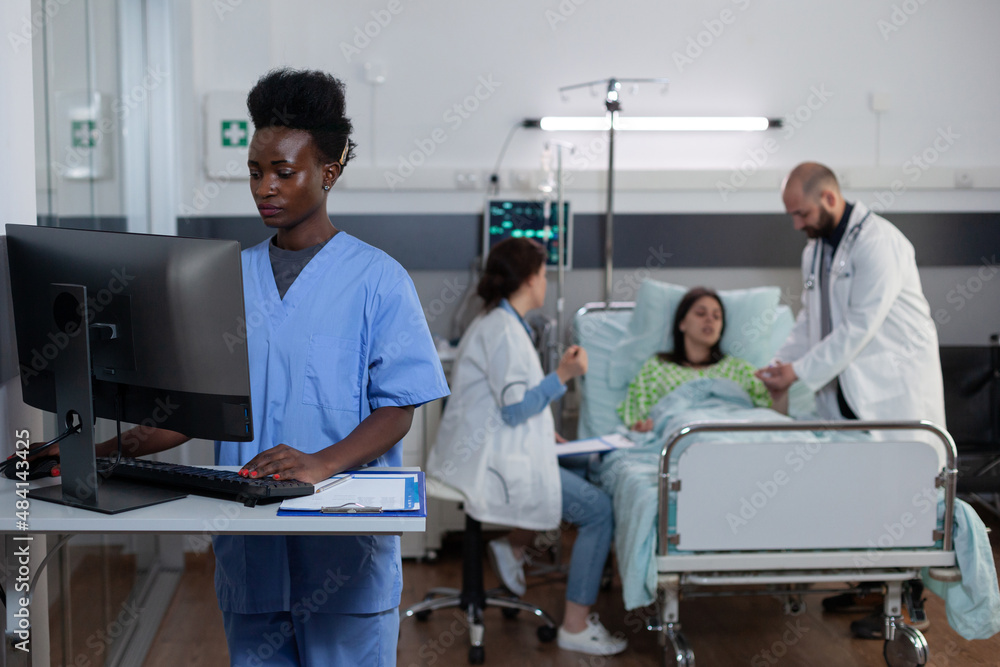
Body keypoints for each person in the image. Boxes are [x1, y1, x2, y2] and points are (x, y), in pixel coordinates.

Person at [42, 69, 450, 665]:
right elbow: (188, 410)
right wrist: (94, 452)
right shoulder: (227, 279)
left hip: (344, 557)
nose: (266, 187)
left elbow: (398, 409)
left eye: (285, 172)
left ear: (329, 173)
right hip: (252, 555)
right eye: (256, 171)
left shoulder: (378, 279)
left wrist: (321, 464)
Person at [756, 161, 944, 638]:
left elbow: (859, 328)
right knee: (862, 492)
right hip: (850, 389)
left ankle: (902, 609)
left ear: (830, 199)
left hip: (893, 388)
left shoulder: (879, 242)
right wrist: (783, 363)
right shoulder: (817, 249)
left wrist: (800, 371)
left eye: (800, 214)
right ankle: (869, 585)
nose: (796, 224)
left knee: (900, 498)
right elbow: (810, 320)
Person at [426, 238, 627, 657]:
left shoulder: (500, 321)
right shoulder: (503, 329)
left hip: (486, 449)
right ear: (530, 279)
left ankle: (513, 545)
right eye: (545, 275)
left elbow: (507, 404)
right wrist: (565, 373)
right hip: (486, 463)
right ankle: (574, 625)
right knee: (597, 510)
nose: (547, 283)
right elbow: (516, 408)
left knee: (583, 472)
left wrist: (543, 430)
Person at [617, 286, 774, 432]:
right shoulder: (658, 367)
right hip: (685, 435)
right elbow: (636, 420)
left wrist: (781, 390)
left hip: (736, 434)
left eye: (716, 316)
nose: (709, 320)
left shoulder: (739, 368)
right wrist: (640, 428)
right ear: (682, 323)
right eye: (700, 313)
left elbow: (771, 416)